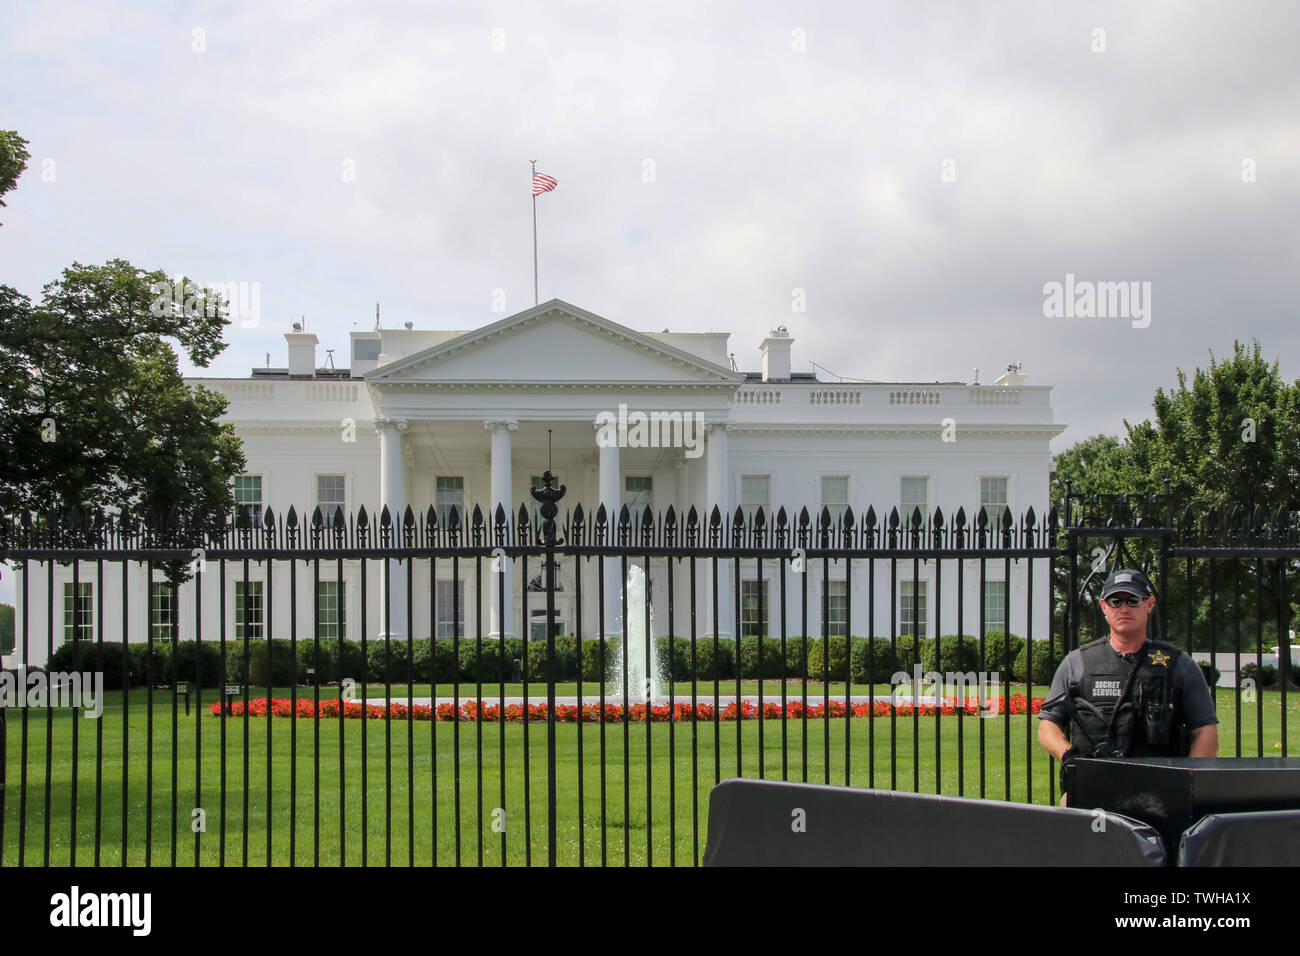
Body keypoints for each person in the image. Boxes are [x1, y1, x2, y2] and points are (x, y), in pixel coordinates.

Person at [1036, 568, 1219, 804]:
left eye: (1133, 601)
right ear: (1104, 606)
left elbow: (1206, 732)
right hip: (1092, 787)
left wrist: (1186, 785)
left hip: (1160, 793)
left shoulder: (1178, 665)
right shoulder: (1077, 662)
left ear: (1149, 604)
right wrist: (1069, 756)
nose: (1124, 608)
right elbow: (1048, 726)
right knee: (1073, 822)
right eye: (1115, 601)